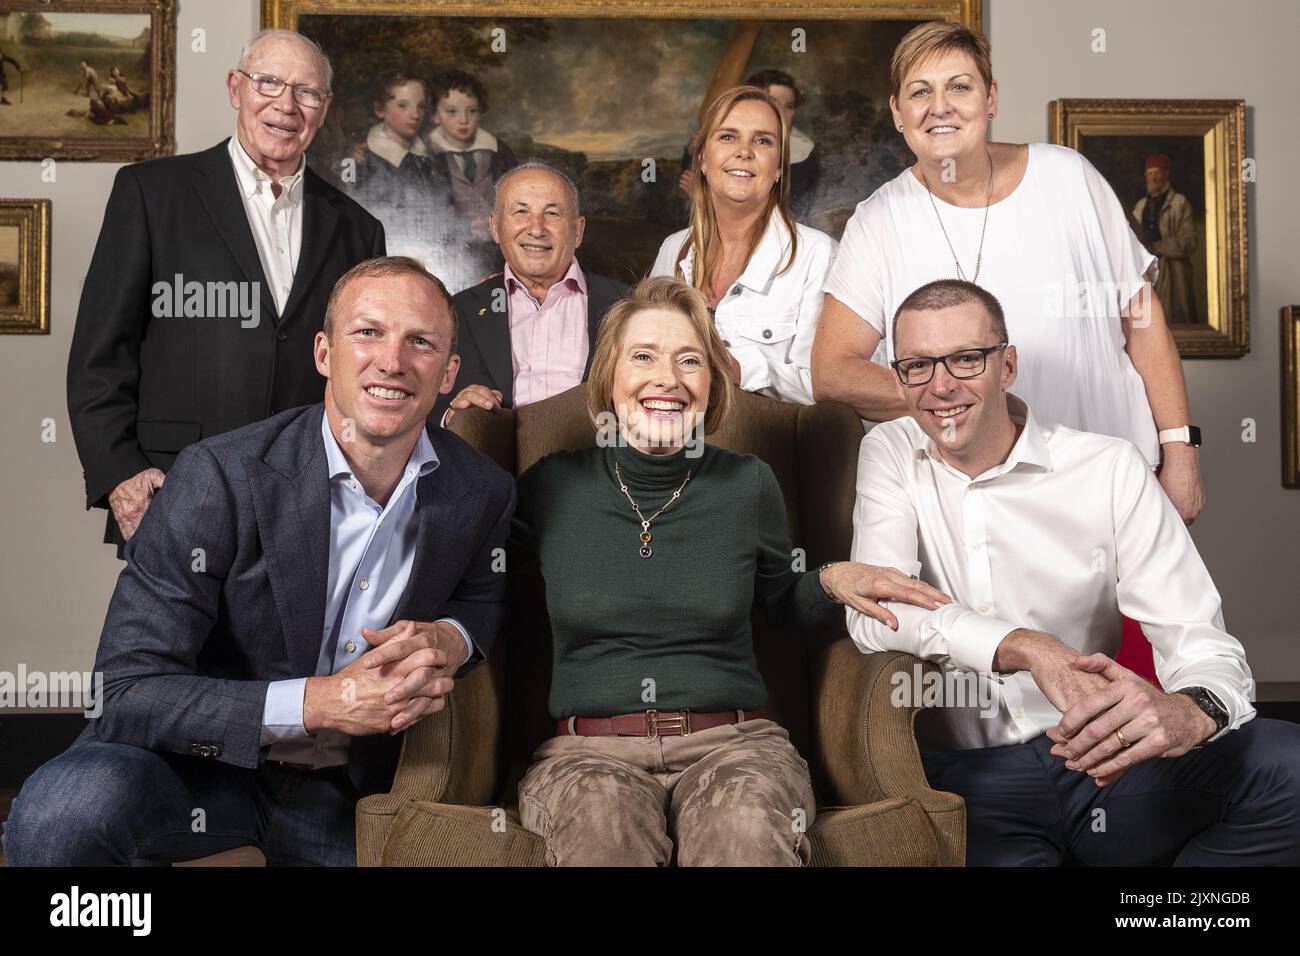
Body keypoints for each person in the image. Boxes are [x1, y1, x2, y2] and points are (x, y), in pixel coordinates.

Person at [2, 257, 515, 866]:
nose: (393, 362)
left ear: (449, 371)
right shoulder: (219, 476)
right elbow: (126, 689)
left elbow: (484, 598)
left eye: (420, 342)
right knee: (61, 816)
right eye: (368, 332)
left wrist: (449, 640)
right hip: (193, 764)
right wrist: (321, 703)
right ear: (324, 353)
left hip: (349, 787)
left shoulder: (480, 490)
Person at [847, 278, 1300, 866]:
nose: (941, 386)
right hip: (970, 782)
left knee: (1288, 767)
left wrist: (1192, 710)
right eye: (916, 366)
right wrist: (1026, 647)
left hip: (1102, 763)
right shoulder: (888, 453)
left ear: (1006, 366)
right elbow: (880, 613)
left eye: (965, 358)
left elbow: (1198, 637)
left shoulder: (1109, 468)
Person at [510, 276, 951, 866]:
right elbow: (487, 588)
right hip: (588, 755)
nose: (667, 378)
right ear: (608, 376)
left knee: (742, 831)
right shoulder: (551, 484)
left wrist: (829, 581)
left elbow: (780, 601)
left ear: (711, 383)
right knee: (603, 826)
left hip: (735, 747)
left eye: (689, 360)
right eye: (643, 356)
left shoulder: (747, 484)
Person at [811, 21, 1206, 524]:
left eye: (959, 86)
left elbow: (1143, 324)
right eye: (919, 92)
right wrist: (958, 398)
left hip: (1114, 480)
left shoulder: (1068, 178)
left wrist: (1182, 451)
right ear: (897, 112)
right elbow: (833, 372)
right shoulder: (879, 221)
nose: (940, 107)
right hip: (973, 504)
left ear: (990, 98)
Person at [67, 29, 385, 557]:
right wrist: (119, 473)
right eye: (268, 83)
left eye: (306, 92)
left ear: (324, 109)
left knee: (297, 644)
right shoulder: (150, 193)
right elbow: (100, 355)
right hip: (173, 489)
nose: (286, 104)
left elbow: (359, 366)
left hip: (308, 498)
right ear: (235, 87)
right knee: (169, 643)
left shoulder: (358, 229)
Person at [652, 86, 835, 406]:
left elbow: (828, 387)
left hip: (770, 448)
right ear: (703, 160)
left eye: (762, 140)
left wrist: (739, 369)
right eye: (727, 137)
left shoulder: (818, 255)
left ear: (779, 167)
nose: (744, 151)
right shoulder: (672, 250)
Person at [436, 162, 626, 424]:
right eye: (521, 211)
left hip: (598, 461)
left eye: (552, 213)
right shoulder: (457, 311)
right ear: (495, 227)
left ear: (578, 231)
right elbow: (424, 398)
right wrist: (453, 415)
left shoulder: (627, 305)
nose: (536, 229)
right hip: (493, 463)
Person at [680, 69, 821, 223]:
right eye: (773, 102)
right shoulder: (718, 137)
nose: (782, 112)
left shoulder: (804, 155)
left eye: (789, 106)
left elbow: (786, 212)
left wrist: (702, 195)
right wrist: (695, 150)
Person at [425, 69, 518, 242]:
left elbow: (518, 199)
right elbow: (424, 211)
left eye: (472, 111)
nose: (463, 120)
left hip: (498, 244)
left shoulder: (500, 152)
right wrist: (465, 226)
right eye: (452, 112)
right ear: (435, 115)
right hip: (450, 245)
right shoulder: (423, 155)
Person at [1133, 154, 1199, 324]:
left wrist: (1159, 247)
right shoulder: (1141, 206)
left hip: (1173, 273)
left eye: (1157, 173)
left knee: (1175, 319)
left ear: (1166, 175)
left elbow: (1189, 241)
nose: (1153, 178)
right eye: (1149, 174)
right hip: (1146, 273)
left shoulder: (1179, 203)